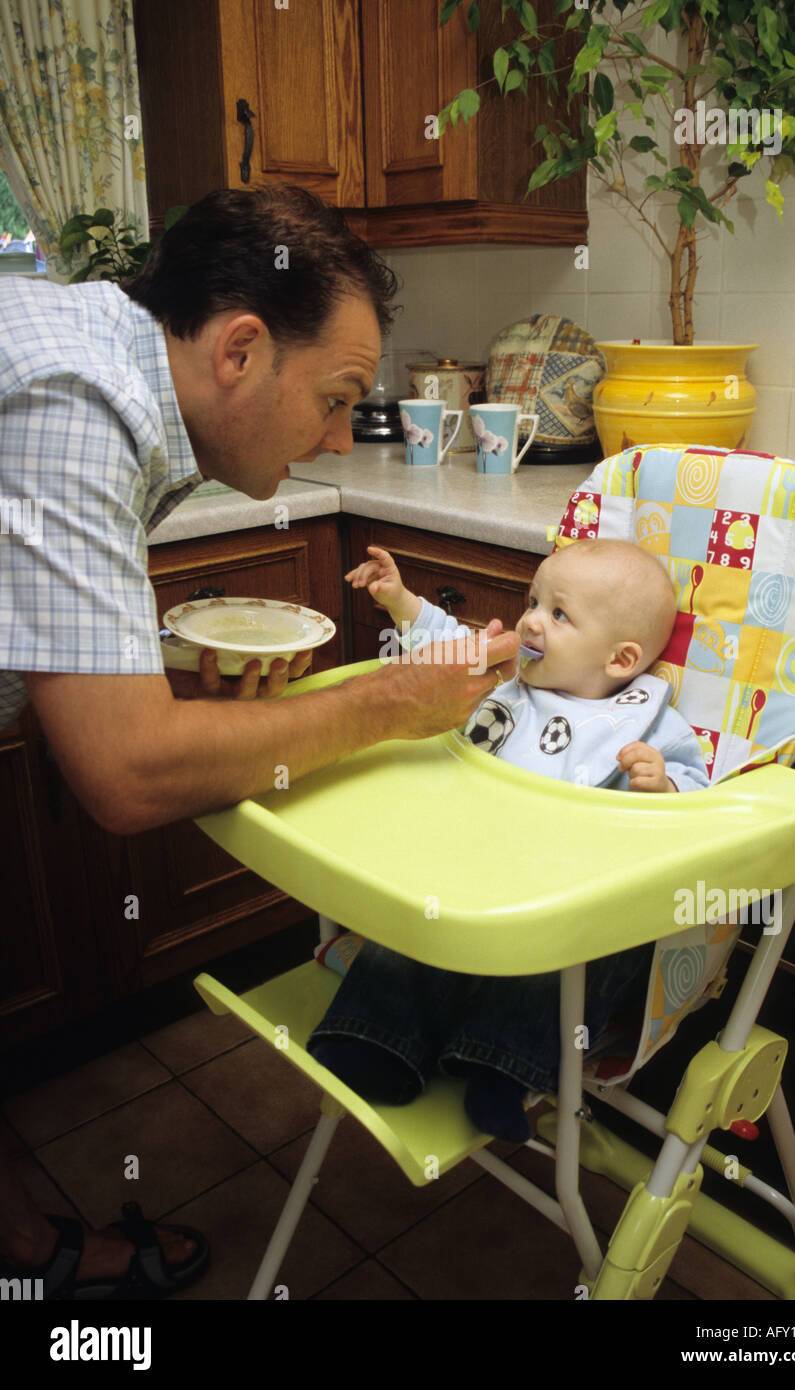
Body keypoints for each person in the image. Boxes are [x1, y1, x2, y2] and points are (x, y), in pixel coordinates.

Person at [0, 184, 517, 1298]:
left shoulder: (99, 356)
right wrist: (389, 701)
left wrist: (175, 675)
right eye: (334, 399)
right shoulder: (70, 399)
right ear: (240, 347)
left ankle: (22, 1242)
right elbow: (126, 773)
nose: (339, 435)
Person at [307, 538, 710, 1143]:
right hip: (465, 876)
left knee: (567, 966)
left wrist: (661, 785)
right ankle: (372, 1040)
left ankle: (501, 1071)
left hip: (561, 901)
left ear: (622, 660)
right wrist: (402, 602)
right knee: (411, 933)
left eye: (558, 613)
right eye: (532, 601)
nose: (529, 620)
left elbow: (699, 799)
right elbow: (449, 649)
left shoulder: (644, 719)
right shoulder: (506, 680)